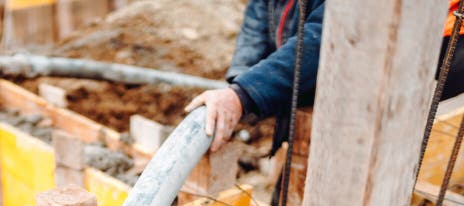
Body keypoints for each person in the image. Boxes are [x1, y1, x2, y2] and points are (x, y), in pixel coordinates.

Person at [188, 0, 464, 153]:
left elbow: (328, 35)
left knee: (356, 164)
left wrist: (244, 94)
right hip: (331, 65)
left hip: (433, 54)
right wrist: (241, 79)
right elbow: (259, 14)